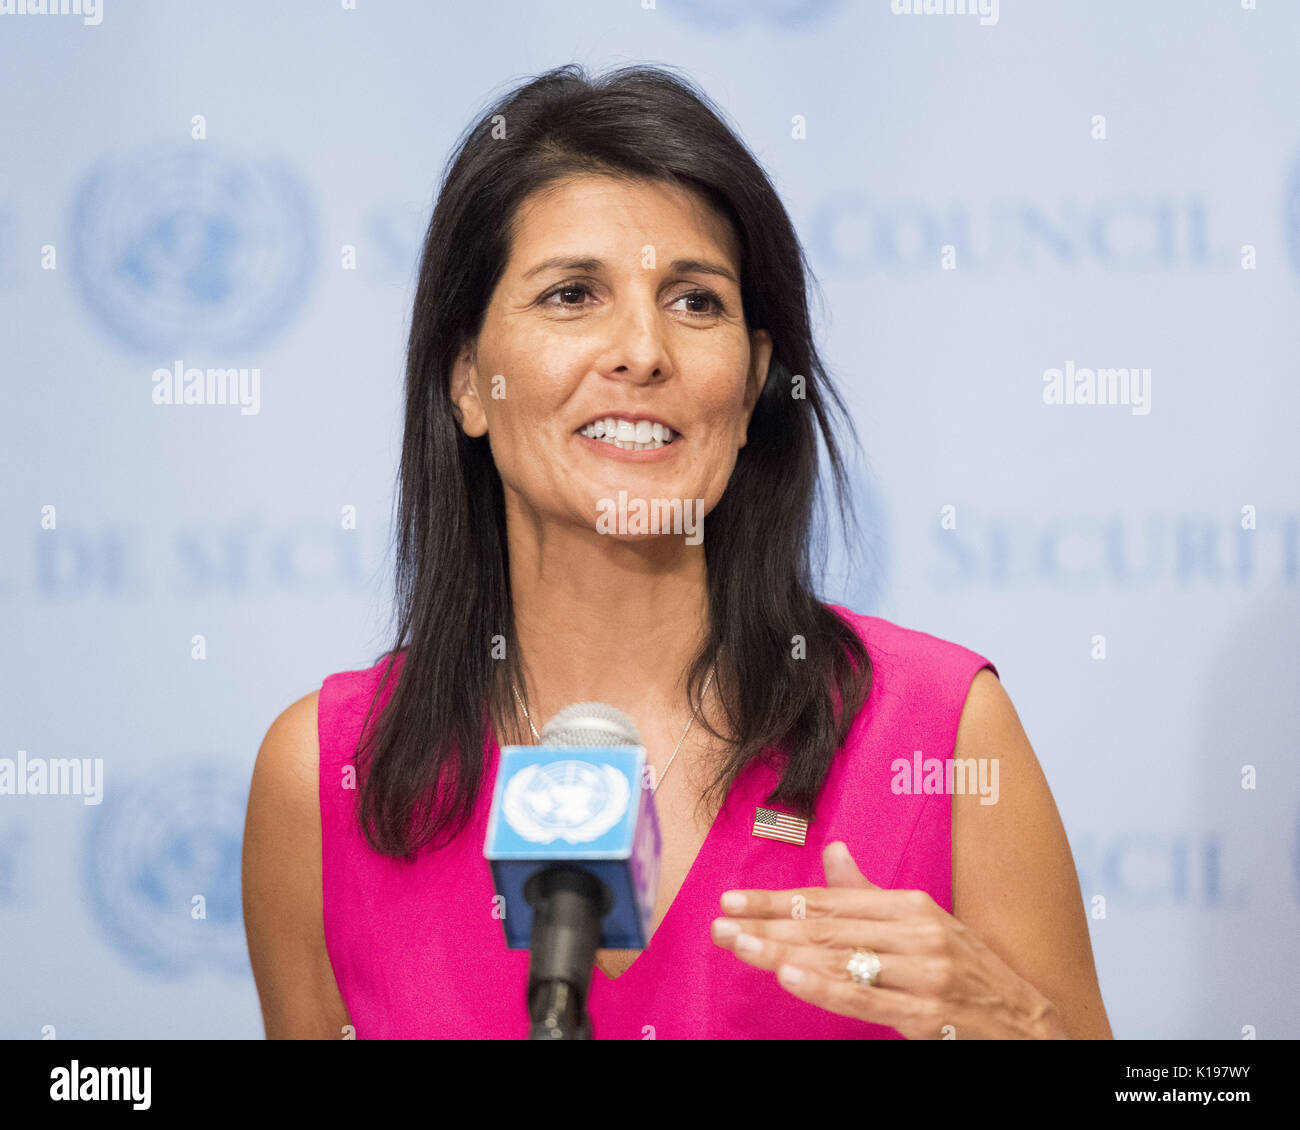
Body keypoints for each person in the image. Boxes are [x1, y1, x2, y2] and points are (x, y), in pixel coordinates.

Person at [242, 63, 1112, 1040]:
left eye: (695, 302)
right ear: (466, 383)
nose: (643, 350)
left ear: (748, 390)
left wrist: (1025, 1033)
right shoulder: (324, 776)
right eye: (573, 294)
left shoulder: (939, 733)